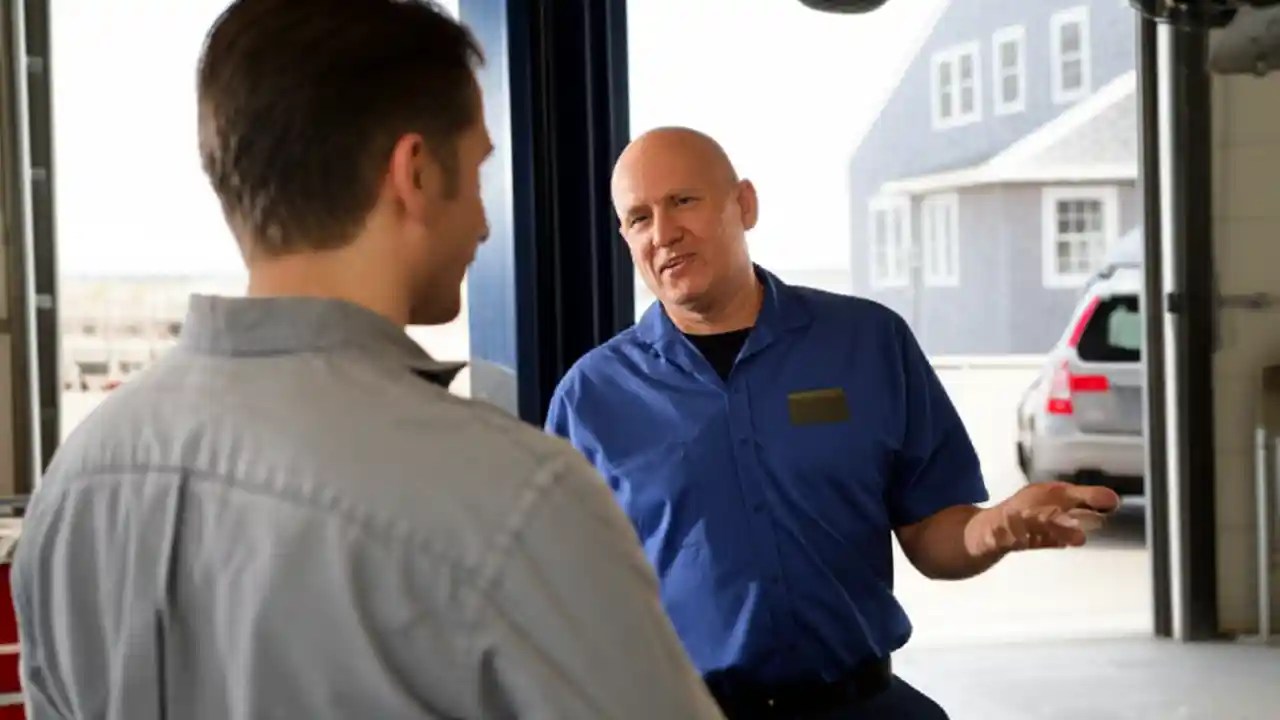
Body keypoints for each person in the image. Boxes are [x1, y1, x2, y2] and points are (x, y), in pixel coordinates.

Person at [11, 5, 723, 719]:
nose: (482, 220)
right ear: (412, 172)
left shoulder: (77, 485)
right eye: (476, 171)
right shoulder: (512, 496)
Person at [545, 127, 1121, 720]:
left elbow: (934, 534)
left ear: (745, 204)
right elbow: (568, 599)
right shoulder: (592, 398)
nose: (664, 233)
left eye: (683, 201)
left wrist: (996, 527)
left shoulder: (869, 343)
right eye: (640, 218)